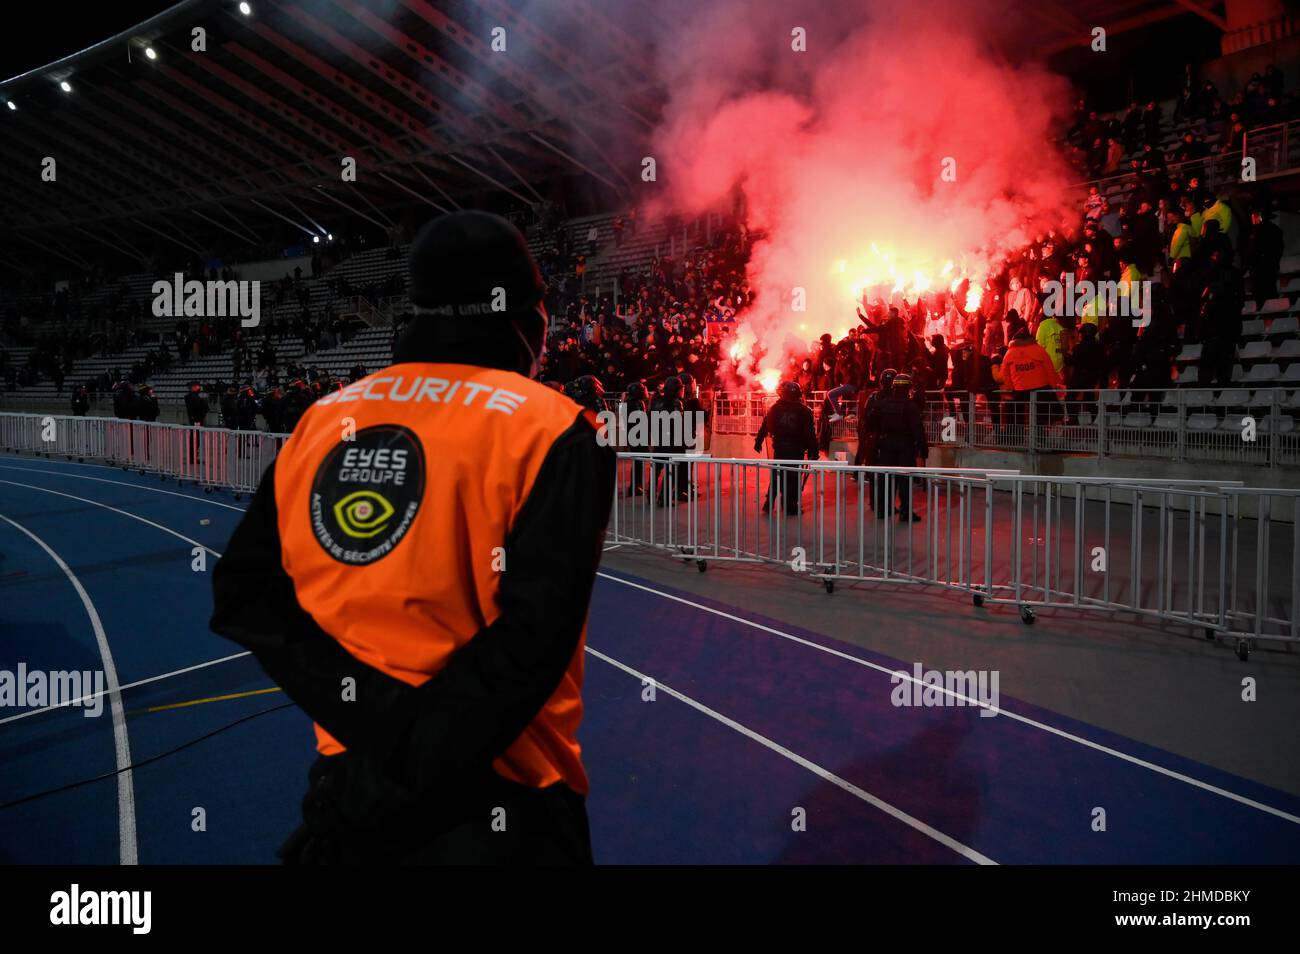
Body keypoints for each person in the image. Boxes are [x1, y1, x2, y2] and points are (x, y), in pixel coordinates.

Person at [210, 210, 616, 865]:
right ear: (523, 314)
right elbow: (532, 640)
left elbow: (243, 592)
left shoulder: (325, 418)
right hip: (508, 804)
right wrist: (417, 752)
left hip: (351, 793)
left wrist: (376, 732)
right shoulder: (556, 430)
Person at [864, 372, 927, 522]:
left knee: (886, 477)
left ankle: (883, 509)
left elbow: (870, 422)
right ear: (908, 388)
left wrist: (879, 437)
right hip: (906, 446)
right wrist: (923, 449)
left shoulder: (882, 403)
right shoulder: (911, 406)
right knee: (905, 479)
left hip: (886, 445)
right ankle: (905, 511)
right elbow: (918, 430)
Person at [753, 380, 817, 516]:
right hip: (796, 449)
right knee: (793, 477)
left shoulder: (775, 408)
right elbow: (810, 433)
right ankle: (790, 506)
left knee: (777, 475)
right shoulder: (805, 411)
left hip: (780, 448)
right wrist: (814, 450)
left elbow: (765, 425)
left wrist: (758, 441)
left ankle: (769, 503)